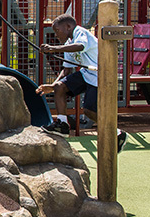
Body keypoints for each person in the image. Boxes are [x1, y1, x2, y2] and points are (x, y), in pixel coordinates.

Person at [36, 13, 127, 152]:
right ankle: (62, 124)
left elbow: (80, 46)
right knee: (60, 87)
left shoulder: (80, 32)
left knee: (89, 111)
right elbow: (66, 70)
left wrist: (54, 48)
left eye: (57, 30)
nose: (56, 34)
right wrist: (53, 86)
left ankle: (117, 133)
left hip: (99, 75)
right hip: (86, 74)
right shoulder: (68, 43)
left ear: (68, 26)